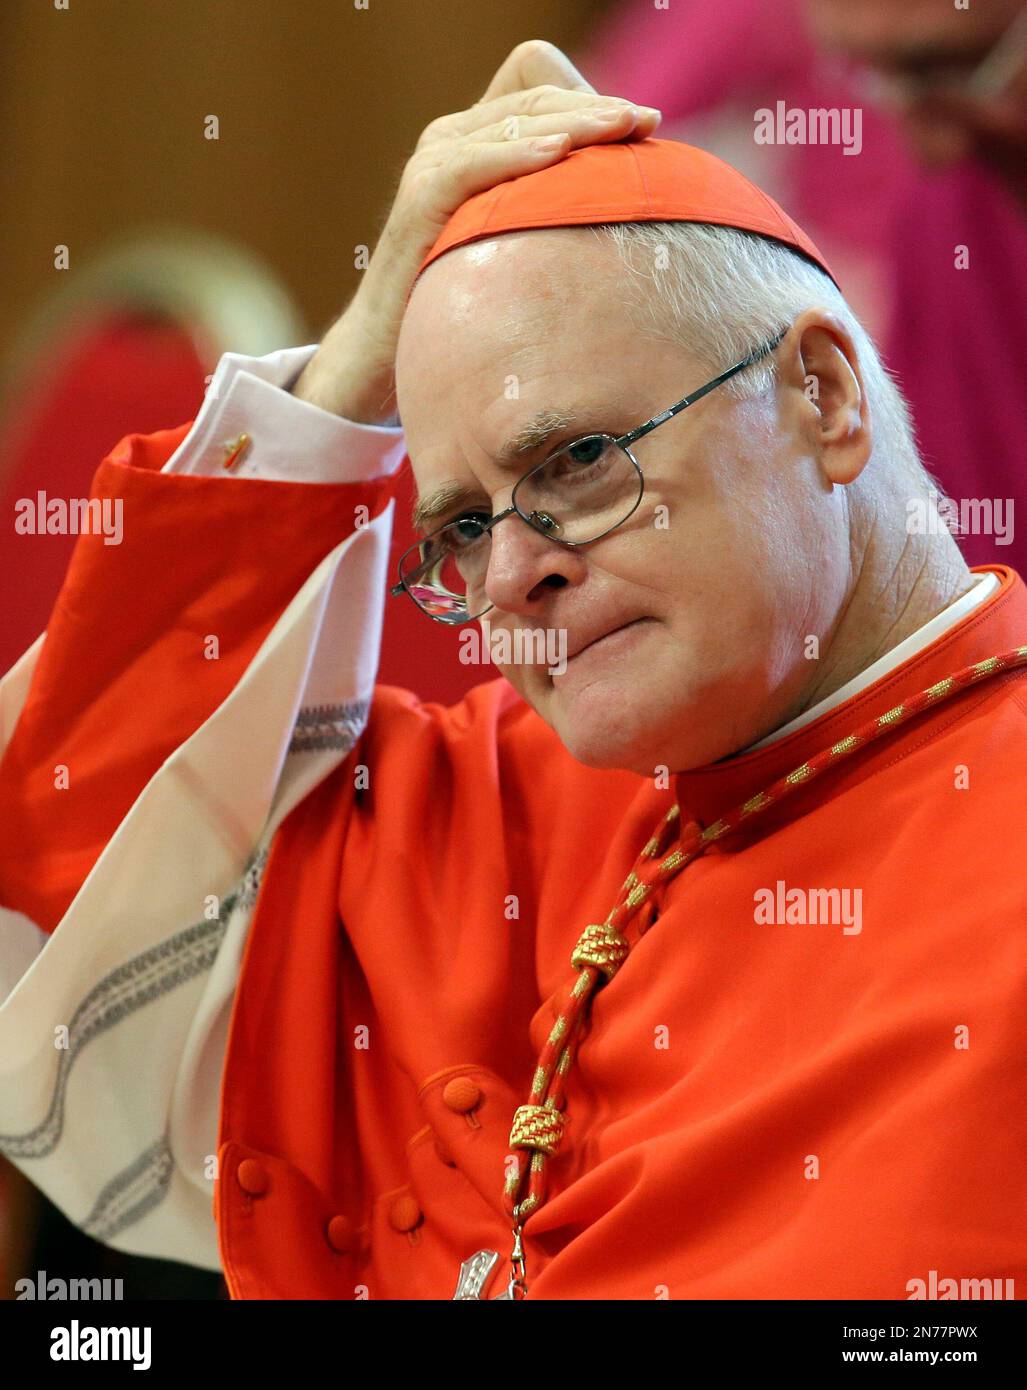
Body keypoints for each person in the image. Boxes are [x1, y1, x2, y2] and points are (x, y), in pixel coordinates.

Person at [1, 39, 1024, 1301]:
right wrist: (357, 359)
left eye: (579, 461)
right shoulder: (505, 798)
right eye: (464, 527)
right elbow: (75, 880)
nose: (506, 582)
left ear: (819, 396)